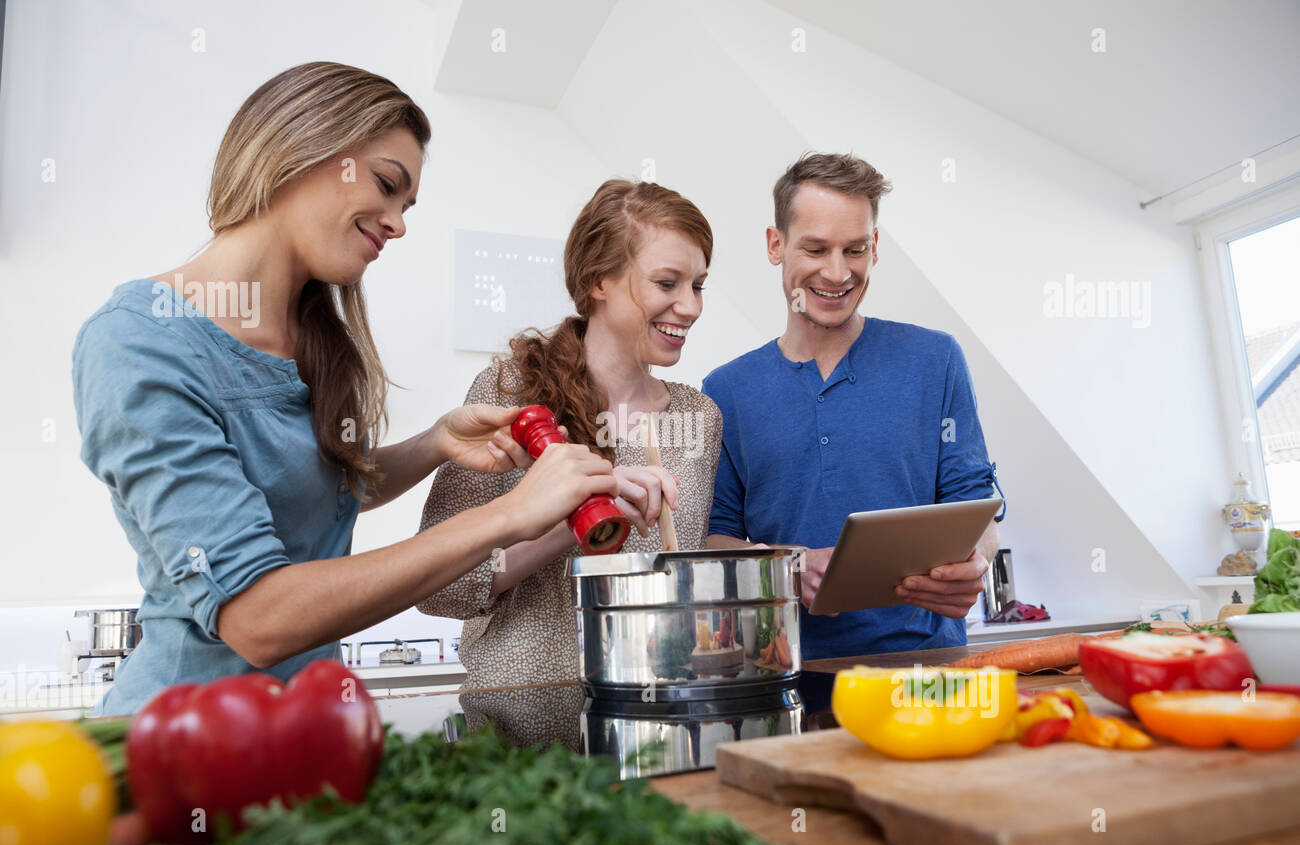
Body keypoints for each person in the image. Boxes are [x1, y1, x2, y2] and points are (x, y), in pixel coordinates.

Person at [73, 62, 616, 716]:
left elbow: (314, 491)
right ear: (300, 149)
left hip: (309, 738)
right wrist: (506, 515)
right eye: (387, 186)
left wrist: (437, 441)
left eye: (407, 204)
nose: (399, 223)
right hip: (183, 747)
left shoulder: (313, 341)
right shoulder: (139, 340)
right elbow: (258, 616)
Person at [417, 179, 722, 748]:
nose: (691, 306)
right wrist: (573, 523)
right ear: (597, 281)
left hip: (655, 737)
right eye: (667, 283)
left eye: (699, 285)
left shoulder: (697, 417)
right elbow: (438, 586)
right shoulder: (511, 393)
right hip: (519, 745)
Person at [703, 152, 1004, 675]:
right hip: (782, 676)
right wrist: (788, 567)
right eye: (815, 249)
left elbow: (975, 507)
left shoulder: (936, 360)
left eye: (855, 249)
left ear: (876, 247)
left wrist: (975, 561)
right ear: (776, 245)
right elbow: (713, 539)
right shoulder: (726, 390)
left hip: (928, 672)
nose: (838, 273)